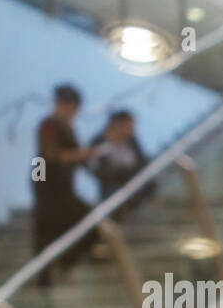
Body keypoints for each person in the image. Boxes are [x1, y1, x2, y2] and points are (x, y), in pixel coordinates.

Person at [31, 85, 100, 284]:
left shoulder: (67, 127)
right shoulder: (48, 125)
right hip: (46, 181)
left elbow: (77, 159)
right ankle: (47, 276)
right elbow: (48, 156)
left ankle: (60, 265)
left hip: (62, 184)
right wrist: (82, 155)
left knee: (66, 224)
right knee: (48, 226)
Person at [89, 110, 155, 215]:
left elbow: (142, 163)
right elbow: (96, 170)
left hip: (137, 185)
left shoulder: (132, 141)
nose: (132, 130)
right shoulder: (98, 143)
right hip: (114, 189)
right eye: (129, 126)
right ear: (117, 125)